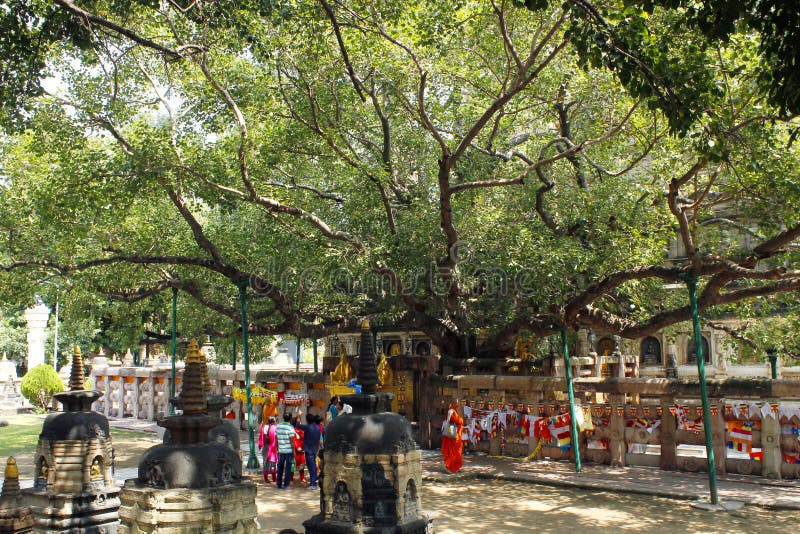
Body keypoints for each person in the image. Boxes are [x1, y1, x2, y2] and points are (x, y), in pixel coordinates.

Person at [297, 412, 322, 489]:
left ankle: (313, 484)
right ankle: (313, 482)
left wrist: (298, 416)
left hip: (309, 450)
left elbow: (298, 425)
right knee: (313, 466)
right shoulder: (317, 428)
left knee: (312, 467)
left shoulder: (308, 427)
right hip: (314, 449)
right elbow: (319, 440)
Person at [441, 399, 464, 473]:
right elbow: (457, 420)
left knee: (457, 451)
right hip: (451, 435)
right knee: (451, 451)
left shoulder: (454, 410)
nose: (457, 405)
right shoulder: (451, 411)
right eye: (456, 403)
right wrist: (461, 420)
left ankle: (456, 467)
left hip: (456, 435)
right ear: (452, 403)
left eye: (458, 403)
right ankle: (449, 467)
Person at [275, 413, 295, 489]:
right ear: (290, 419)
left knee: (280, 467)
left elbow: (276, 439)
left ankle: (278, 484)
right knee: (288, 468)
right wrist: (294, 451)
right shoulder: (290, 427)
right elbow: (292, 441)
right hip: (289, 451)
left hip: (281, 450)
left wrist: (277, 448)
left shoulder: (278, 426)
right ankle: (286, 485)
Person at [258, 416, 277, 483]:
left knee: (265, 463)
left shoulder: (263, 427)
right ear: (274, 421)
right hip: (273, 447)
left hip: (266, 447)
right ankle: (274, 478)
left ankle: (266, 479)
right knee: (273, 463)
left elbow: (261, 438)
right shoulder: (275, 428)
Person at [291, 416, 306, 484]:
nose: (299, 423)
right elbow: (293, 440)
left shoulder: (301, 430)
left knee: (302, 465)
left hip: (301, 449)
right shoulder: (293, 430)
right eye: (298, 422)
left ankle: (302, 477)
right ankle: (291, 478)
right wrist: (297, 447)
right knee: (293, 465)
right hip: (295, 450)